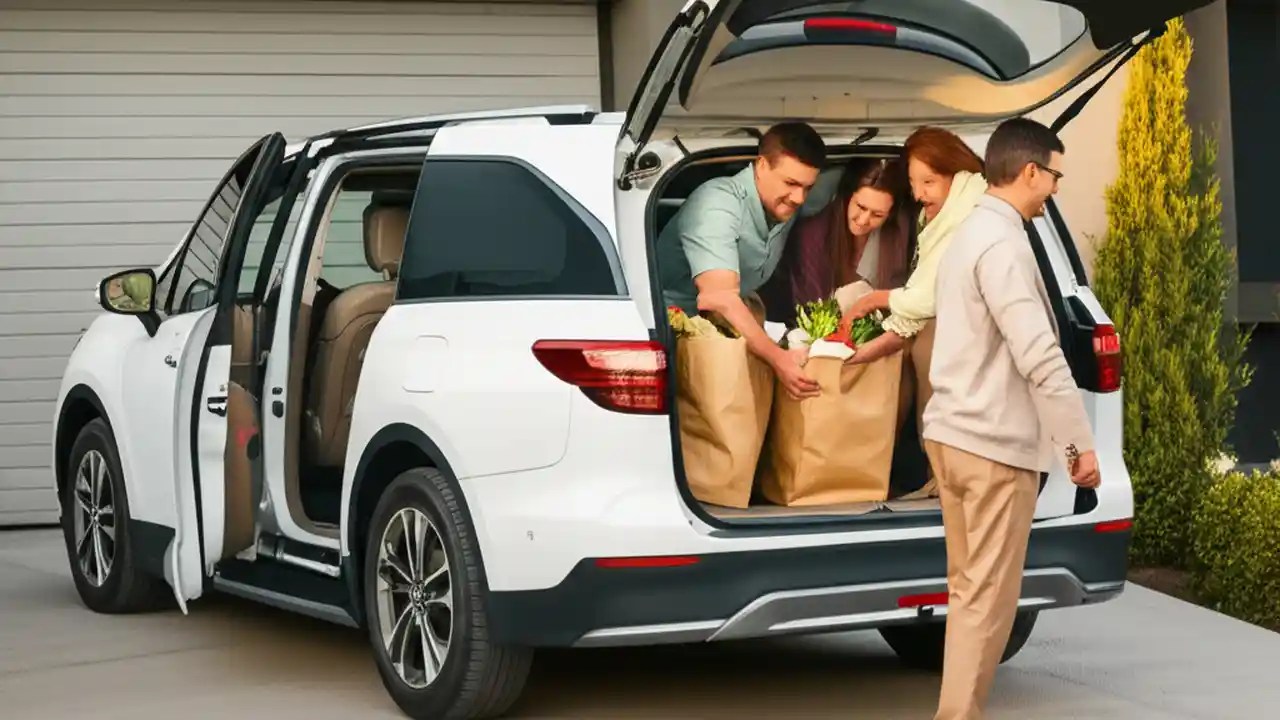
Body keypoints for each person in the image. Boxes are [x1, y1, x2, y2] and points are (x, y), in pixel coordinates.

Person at [921, 117, 1102, 720]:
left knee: (968, 593)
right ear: (1029, 171)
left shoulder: (968, 234)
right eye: (1054, 175)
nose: (1055, 188)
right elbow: (1039, 353)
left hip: (952, 436)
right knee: (988, 601)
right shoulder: (1003, 243)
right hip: (991, 448)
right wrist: (1079, 446)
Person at [840, 128, 987, 496]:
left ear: (957, 174)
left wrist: (874, 304)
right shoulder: (945, 217)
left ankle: (944, 482)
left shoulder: (965, 219)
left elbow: (923, 300)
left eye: (929, 182)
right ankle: (930, 478)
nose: (919, 194)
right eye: (913, 182)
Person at [657, 121, 827, 400]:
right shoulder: (717, 204)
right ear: (761, 165)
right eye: (791, 183)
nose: (799, 198)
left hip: (727, 331)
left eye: (807, 187)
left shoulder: (784, 202)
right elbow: (718, 298)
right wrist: (778, 358)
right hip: (675, 341)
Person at [758, 157, 912, 325]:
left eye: (877, 215)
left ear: (890, 214)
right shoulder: (812, 235)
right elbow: (810, 308)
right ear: (847, 197)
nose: (863, 220)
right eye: (860, 207)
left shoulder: (898, 235)